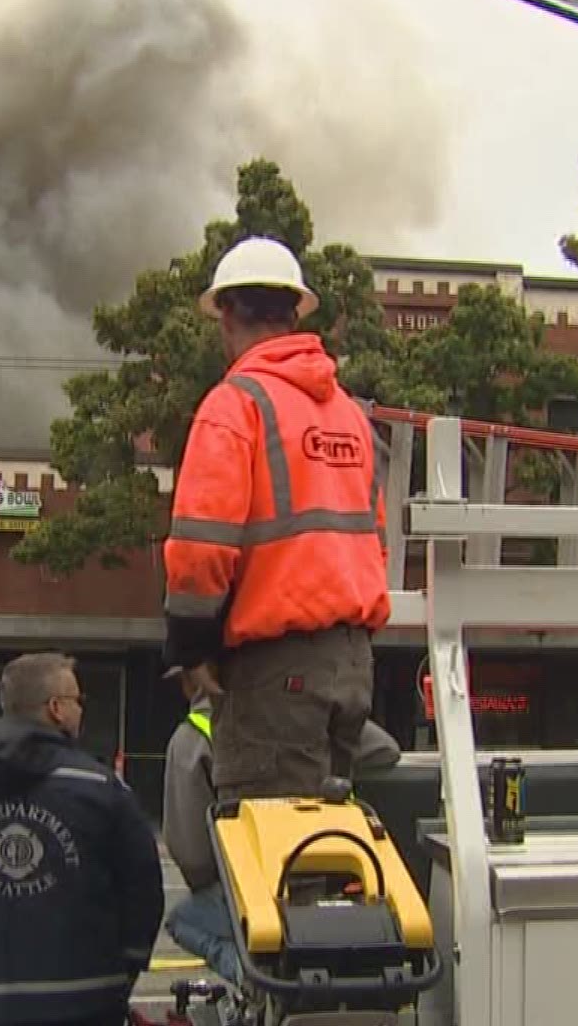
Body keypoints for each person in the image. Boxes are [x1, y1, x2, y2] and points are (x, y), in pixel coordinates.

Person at [163, 236, 392, 800]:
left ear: (226, 314)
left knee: (271, 849)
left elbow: (200, 547)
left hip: (274, 672)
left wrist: (192, 648)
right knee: (327, 842)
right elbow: (375, 542)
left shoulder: (236, 403)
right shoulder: (348, 414)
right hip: (351, 664)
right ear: (294, 314)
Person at [0, 652, 163, 1026]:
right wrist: (123, 971)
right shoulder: (103, 792)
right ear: (57, 708)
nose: (81, 710)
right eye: (77, 701)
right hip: (86, 1000)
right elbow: (141, 892)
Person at [160, 663, 401, 985]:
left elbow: (193, 854)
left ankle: (252, 979)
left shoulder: (192, 737)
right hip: (336, 875)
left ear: (194, 681)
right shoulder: (313, 717)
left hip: (257, 893)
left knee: (183, 919)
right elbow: (386, 751)